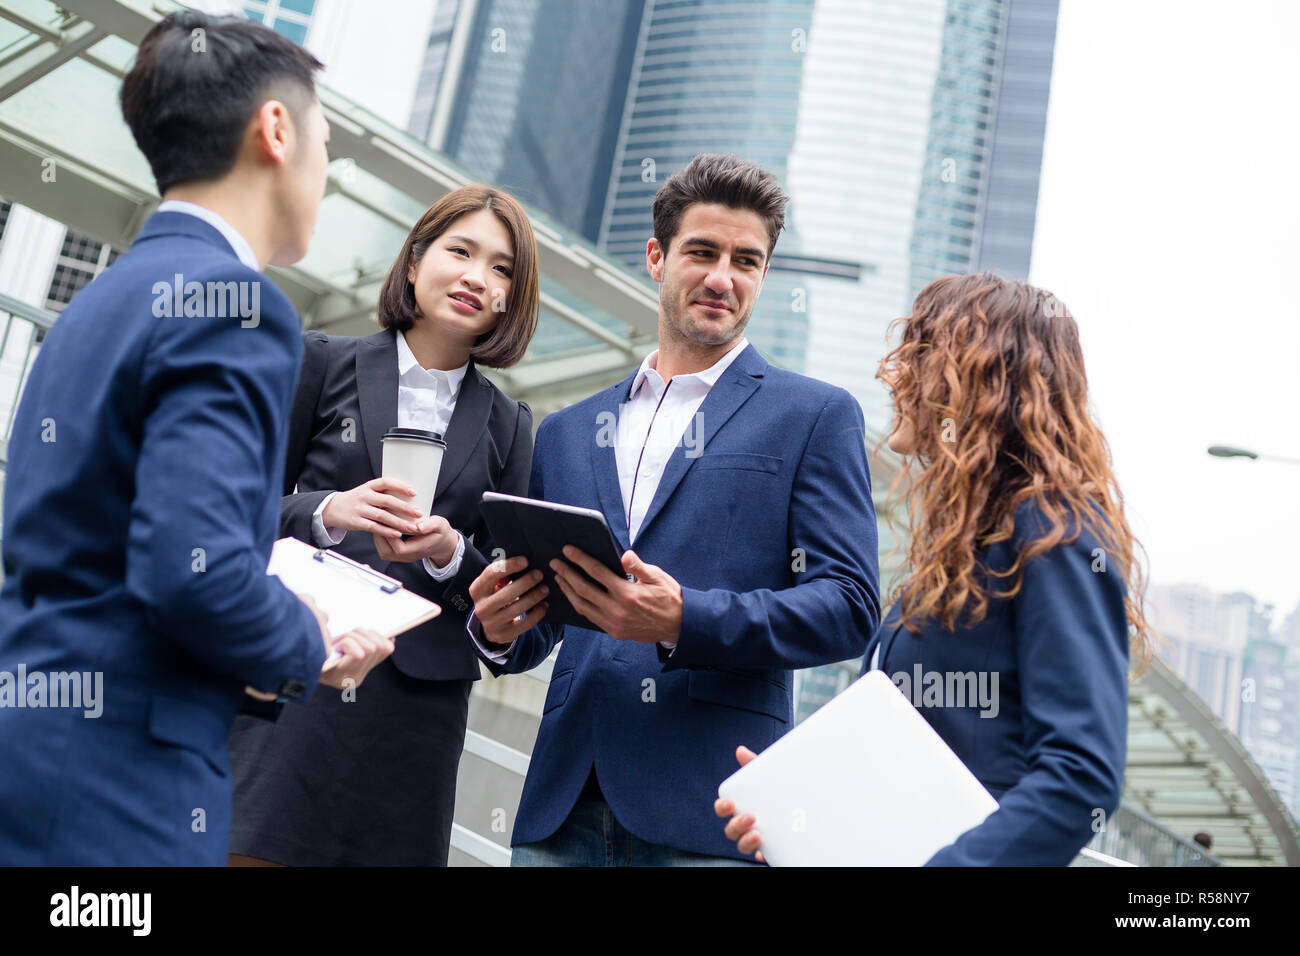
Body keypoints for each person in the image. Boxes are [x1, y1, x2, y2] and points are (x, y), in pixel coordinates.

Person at [0, 12, 392, 866]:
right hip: (119, 788)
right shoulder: (238, 306)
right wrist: (307, 635)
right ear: (277, 130)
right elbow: (189, 570)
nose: (325, 176)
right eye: (327, 144)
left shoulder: (102, 301)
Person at [466, 154, 881, 865]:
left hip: (711, 813)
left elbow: (849, 606)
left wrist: (687, 619)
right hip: (560, 809)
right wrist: (498, 627)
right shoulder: (567, 431)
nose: (723, 277)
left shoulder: (814, 416)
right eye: (702, 252)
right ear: (657, 258)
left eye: (746, 260)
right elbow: (546, 624)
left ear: (763, 276)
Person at [716, 272, 1154, 866]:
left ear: (975, 380)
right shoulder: (967, 543)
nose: (894, 373)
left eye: (919, 354)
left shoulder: (1054, 532)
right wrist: (805, 808)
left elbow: (1080, 779)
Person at [227, 186, 539, 866]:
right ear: (416, 258)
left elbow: (514, 600)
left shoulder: (511, 426)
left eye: (502, 269)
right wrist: (327, 512)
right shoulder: (320, 361)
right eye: (461, 251)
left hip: (416, 717)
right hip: (303, 668)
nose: (476, 277)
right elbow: (238, 511)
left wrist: (452, 556)